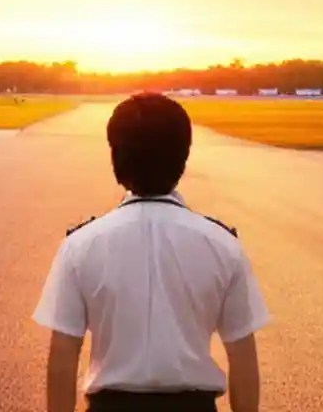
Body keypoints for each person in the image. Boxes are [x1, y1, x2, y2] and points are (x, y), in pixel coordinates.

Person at [33, 93, 269, 412]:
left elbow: (63, 354)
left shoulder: (80, 245)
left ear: (117, 158)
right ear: (183, 158)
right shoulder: (222, 244)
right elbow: (242, 355)